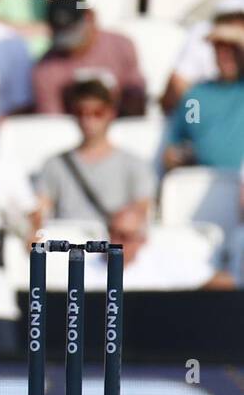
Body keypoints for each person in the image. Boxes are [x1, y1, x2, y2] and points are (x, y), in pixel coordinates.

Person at [35, 75, 153, 223]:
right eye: (81, 112)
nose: (88, 120)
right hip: (67, 244)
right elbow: (40, 211)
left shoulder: (135, 165)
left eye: (97, 113)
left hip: (113, 243)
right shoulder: (54, 164)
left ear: (111, 113)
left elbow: (141, 213)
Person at [33, 0, 146, 116]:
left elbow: (136, 101)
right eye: (61, 30)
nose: (67, 38)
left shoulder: (121, 46)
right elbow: (52, 124)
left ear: (90, 17)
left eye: (72, 29)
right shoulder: (45, 69)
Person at [90, 204, 234, 291]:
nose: (116, 241)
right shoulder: (89, 267)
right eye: (112, 232)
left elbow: (223, 283)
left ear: (142, 240)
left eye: (125, 236)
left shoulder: (164, 261)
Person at [164, 22, 244, 172]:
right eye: (221, 48)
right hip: (204, 182)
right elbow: (183, 138)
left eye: (234, 49)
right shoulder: (196, 98)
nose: (228, 55)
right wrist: (176, 156)